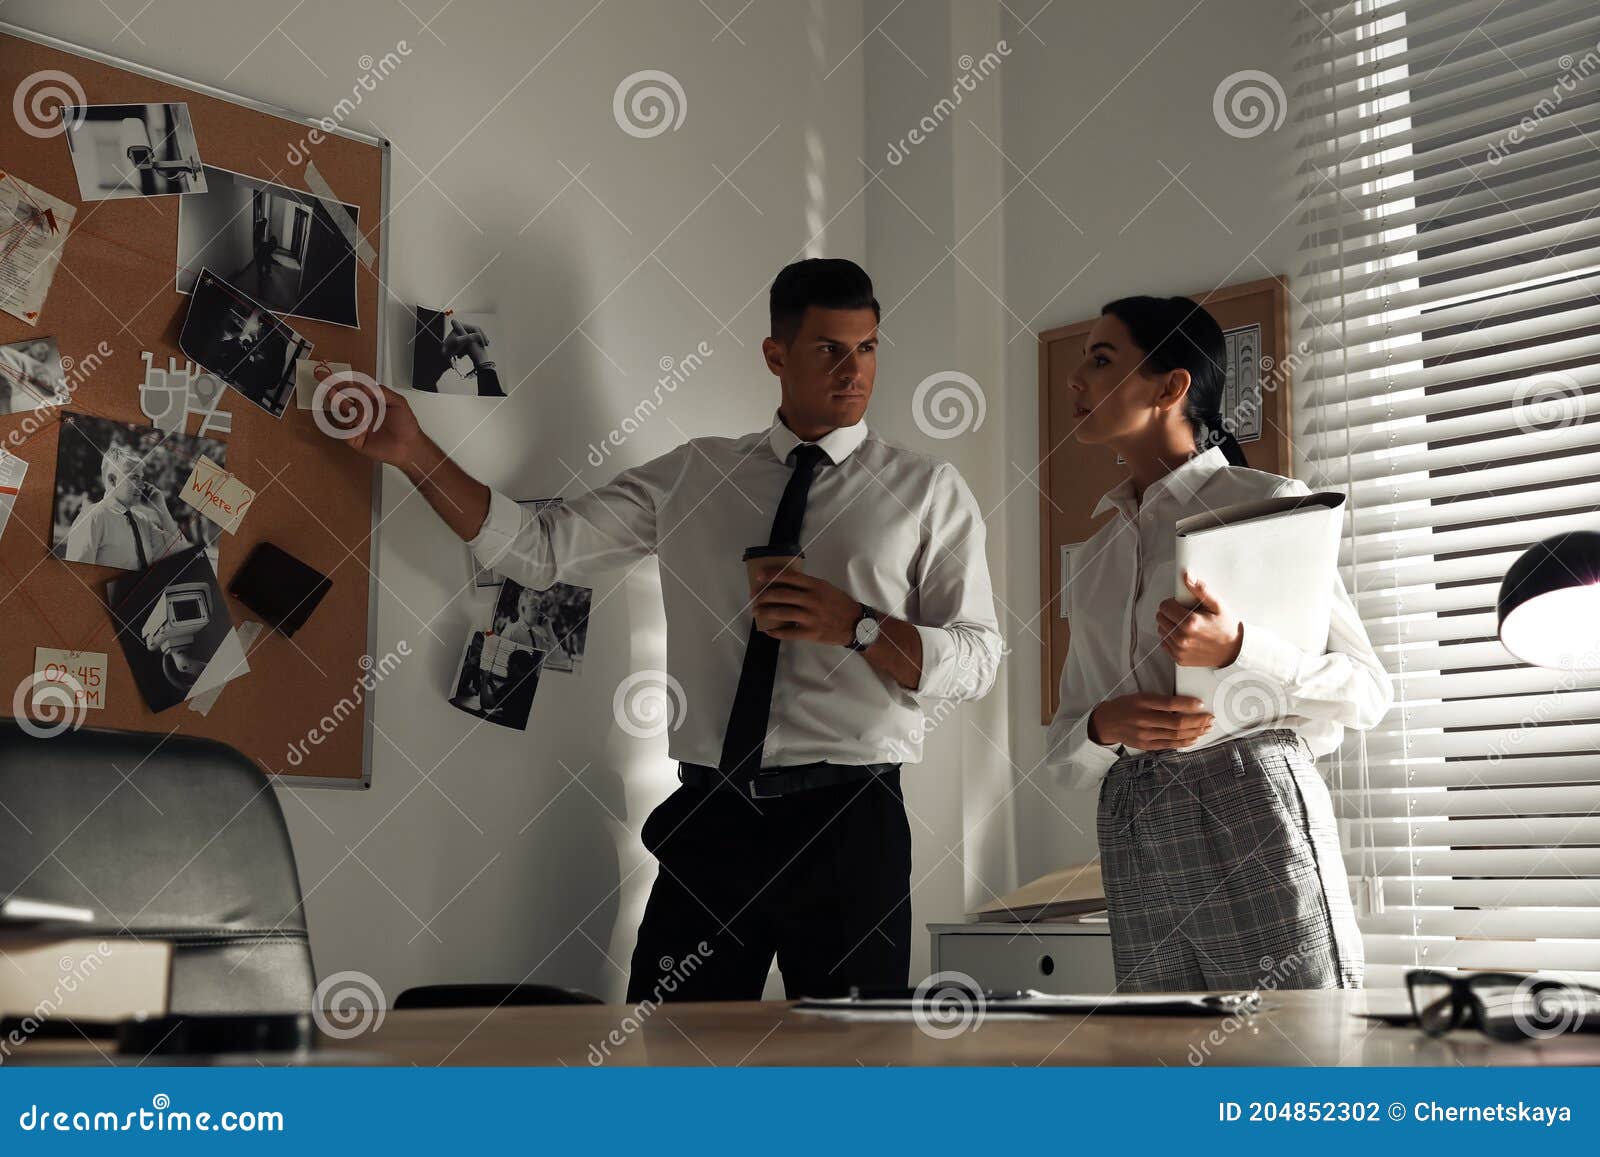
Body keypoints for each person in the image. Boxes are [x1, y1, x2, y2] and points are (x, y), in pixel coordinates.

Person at [330, 258, 1003, 1001]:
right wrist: (414, 450)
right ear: (775, 355)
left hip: (850, 820)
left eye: (868, 347)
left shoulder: (926, 489)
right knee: (672, 1053)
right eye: (829, 350)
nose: (854, 371)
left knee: (854, 1072)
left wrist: (861, 625)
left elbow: (978, 658)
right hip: (715, 817)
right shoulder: (696, 476)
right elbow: (539, 549)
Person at [1044, 295, 1393, 992]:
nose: (1074, 379)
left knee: (1300, 1051)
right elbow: (1065, 748)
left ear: (1171, 387)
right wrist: (1103, 725)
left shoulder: (1271, 505)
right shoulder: (1094, 556)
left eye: (1101, 358)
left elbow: (1367, 690)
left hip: (1251, 800)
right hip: (1132, 817)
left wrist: (1240, 649)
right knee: (1165, 1064)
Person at [62, 444, 186, 570]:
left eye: (142, 478)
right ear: (112, 480)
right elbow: (76, 576)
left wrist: (161, 507)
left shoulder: (142, 521)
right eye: (134, 478)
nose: (142, 486)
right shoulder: (92, 518)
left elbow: (180, 553)